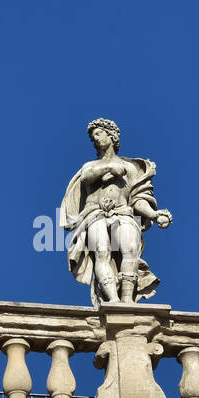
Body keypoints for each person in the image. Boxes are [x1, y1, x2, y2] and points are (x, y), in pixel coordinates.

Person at [59, 118, 172, 305]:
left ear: (110, 135)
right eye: (92, 137)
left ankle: (127, 302)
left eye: (98, 134)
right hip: (95, 214)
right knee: (101, 253)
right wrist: (110, 167)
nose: (95, 139)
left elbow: (138, 199)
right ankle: (112, 300)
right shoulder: (90, 166)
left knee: (130, 251)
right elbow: (87, 177)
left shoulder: (130, 168)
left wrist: (154, 214)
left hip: (124, 213)